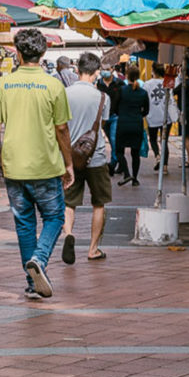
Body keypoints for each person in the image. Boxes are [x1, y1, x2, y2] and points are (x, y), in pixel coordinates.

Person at [0, 28, 73, 300]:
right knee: (55, 218)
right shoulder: (54, 85)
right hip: (45, 165)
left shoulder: (2, 85)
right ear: (44, 52)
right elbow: (61, 130)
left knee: (24, 224)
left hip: (14, 166)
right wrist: (69, 164)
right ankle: (40, 258)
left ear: (17, 52)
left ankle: (32, 283)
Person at [62, 52, 113, 264]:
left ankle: (68, 235)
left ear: (77, 70)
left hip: (70, 158)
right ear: (96, 73)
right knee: (99, 203)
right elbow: (101, 125)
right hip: (96, 157)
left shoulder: (64, 94)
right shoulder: (103, 97)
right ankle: (93, 249)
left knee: (68, 203)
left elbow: (60, 125)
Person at [115, 66, 149, 187]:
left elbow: (115, 107)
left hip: (123, 123)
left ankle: (127, 173)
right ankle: (134, 179)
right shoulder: (143, 92)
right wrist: (138, 115)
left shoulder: (121, 90)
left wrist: (122, 113)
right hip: (137, 124)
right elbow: (146, 111)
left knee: (119, 151)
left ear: (127, 76)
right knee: (135, 153)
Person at [143, 64, 177, 173]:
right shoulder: (167, 83)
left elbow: (144, 99)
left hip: (152, 116)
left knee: (153, 139)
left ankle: (157, 156)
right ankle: (165, 167)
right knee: (164, 141)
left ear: (153, 71)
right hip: (165, 117)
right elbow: (171, 100)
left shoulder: (147, 84)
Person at [97, 67, 124, 175]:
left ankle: (113, 163)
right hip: (103, 117)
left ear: (112, 69)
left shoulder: (119, 83)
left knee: (113, 139)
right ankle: (121, 163)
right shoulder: (98, 84)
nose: (105, 71)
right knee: (110, 139)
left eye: (107, 69)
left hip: (115, 116)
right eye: (103, 69)